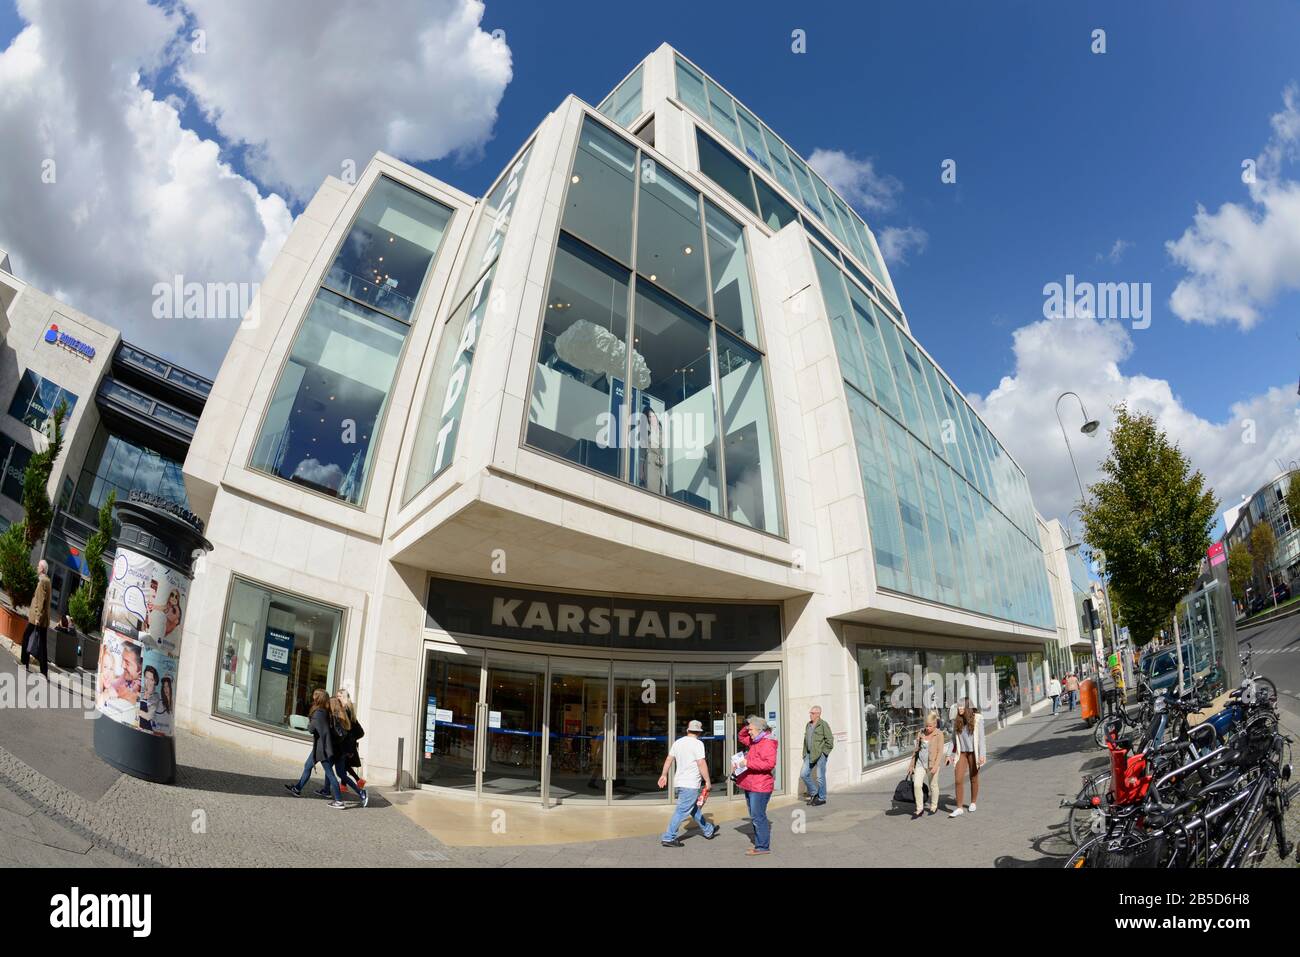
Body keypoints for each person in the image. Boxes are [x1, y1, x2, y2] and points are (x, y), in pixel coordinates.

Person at [657, 719, 716, 846]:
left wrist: (663, 775)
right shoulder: (698, 744)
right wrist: (707, 781)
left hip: (679, 782)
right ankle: (669, 837)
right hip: (690, 783)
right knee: (681, 811)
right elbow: (701, 763)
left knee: (693, 809)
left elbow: (669, 759)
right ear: (699, 732)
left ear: (687, 730)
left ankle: (708, 830)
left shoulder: (678, 742)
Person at [285, 689, 347, 808]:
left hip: (322, 749)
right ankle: (297, 788)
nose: (313, 697)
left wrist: (310, 722)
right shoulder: (325, 711)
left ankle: (339, 801)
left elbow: (311, 729)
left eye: (315, 696)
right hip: (320, 747)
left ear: (318, 698)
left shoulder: (318, 713)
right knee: (308, 766)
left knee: (330, 775)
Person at [736, 714, 778, 856]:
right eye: (749, 730)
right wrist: (748, 724)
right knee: (755, 815)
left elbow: (769, 764)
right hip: (751, 784)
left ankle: (762, 846)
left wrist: (748, 763)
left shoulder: (767, 742)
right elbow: (741, 737)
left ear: (760, 730)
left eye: (751, 730)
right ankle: (760, 844)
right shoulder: (755, 740)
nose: (749, 732)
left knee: (758, 816)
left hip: (760, 786)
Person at [323, 694, 368, 807]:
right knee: (342, 774)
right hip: (342, 752)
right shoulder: (343, 717)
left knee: (332, 772)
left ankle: (337, 799)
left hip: (336, 751)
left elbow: (339, 736)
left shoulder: (336, 718)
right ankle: (360, 792)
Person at [946, 697, 986, 817]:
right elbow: (953, 740)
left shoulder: (977, 719)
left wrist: (982, 755)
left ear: (968, 707)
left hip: (973, 753)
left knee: (973, 777)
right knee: (958, 779)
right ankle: (959, 808)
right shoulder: (956, 720)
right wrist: (949, 755)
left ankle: (973, 802)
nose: (960, 708)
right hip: (961, 753)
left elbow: (981, 739)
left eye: (962, 706)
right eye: (959, 706)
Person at [908, 711, 944, 818]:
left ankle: (934, 806)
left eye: (930, 726)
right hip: (920, 764)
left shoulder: (939, 734)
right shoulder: (921, 733)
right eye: (926, 726)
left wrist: (936, 766)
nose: (927, 728)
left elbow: (940, 751)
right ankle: (919, 808)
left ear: (935, 725)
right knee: (917, 785)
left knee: (933, 785)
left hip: (932, 765)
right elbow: (916, 750)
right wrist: (911, 765)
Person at [20, 560, 52, 677]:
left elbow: (41, 600)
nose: (37, 567)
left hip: (37, 618)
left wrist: (37, 617)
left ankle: (24, 663)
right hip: (42, 619)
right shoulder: (47, 580)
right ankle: (43, 671)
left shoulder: (42, 581)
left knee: (26, 637)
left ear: (42, 569)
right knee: (42, 644)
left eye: (38, 566)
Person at [800, 705, 834, 806]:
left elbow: (830, 740)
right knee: (804, 774)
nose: (810, 715)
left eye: (813, 713)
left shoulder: (823, 725)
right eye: (810, 713)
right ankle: (815, 793)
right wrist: (804, 753)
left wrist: (824, 753)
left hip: (820, 755)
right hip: (809, 754)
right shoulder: (808, 725)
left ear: (818, 714)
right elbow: (805, 740)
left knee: (820, 777)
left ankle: (822, 798)